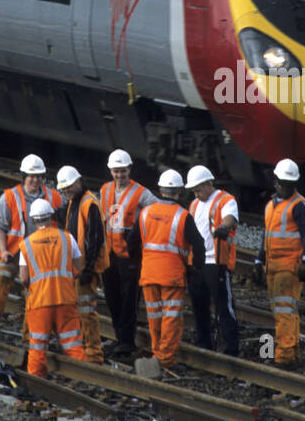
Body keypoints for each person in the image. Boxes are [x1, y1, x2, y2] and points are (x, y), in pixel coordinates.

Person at [0, 155, 62, 341]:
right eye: (31, 176)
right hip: (15, 252)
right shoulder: (9, 197)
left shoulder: (54, 197)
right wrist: (4, 250)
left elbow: (63, 224)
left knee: (33, 293)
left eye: (39, 176)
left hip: (41, 255)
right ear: (24, 176)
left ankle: (29, 336)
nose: (35, 180)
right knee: (2, 280)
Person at [127, 169, 203, 371]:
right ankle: (165, 361)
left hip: (149, 274)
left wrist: (137, 263)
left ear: (160, 190)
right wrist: (194, 268)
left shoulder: (145, 213)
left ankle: (156, 354)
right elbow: (199, 244)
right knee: (171, 318)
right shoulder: (183, 216)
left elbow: (131, 242)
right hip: (172, 276)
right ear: (179, 191)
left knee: (154, 316)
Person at [252, 159, 305, 368]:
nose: (284, 187)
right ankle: (292, 353)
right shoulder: (271, 206)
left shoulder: (300, 206)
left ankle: (284, 357)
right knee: (285, 310)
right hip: (272, 266)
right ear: (276, 181)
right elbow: (266, 235)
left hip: (289, 266)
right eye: (282, 182)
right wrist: (258, 260)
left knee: (284, 310)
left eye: (289, 183)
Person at [19, 198, 87, 376]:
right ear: (51, 217)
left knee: (38, 347)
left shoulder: (26, 244)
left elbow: (24, 278)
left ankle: (37, 381)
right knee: (73, 343)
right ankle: (85, 377)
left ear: (33, 220)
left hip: (40, 303)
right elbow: (78, 269)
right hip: (66, 299)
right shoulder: (67, 238)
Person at [99, 149, 156, 359]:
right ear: (110, 171)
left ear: (129, 170)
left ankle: (126, 341)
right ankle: (119, 337)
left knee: (129, 299)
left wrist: (139, 231)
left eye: (123, 171)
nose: (119, 175)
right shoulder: (105, 190)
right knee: (112, 298)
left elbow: (156, 211)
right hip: (109, 254)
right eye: (116, 171)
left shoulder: (141, 192)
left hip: (129, 255)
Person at [185, 165, 239, 355]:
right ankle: (204, 345)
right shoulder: (194, 204)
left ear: (208, 183)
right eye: (194, 191)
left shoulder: (225, 200)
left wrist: (224, 228)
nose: (197, 193)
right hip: (198, 264)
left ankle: (231, 349)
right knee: (199, 307)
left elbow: (230, 217)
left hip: (217, 263)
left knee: (224, 308)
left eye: (198, 189)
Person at [56, 165, 106, 363]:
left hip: (85, 268)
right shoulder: (73, 202)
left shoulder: (89, 203)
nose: (67, 191)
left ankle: (94, 354)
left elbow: (95, 238)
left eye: (69, 187)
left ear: (79, 182)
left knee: (86, 310)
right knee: (78, 309)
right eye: (64, 188)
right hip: (76, 267)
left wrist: (89, 268)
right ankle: (82, 348)